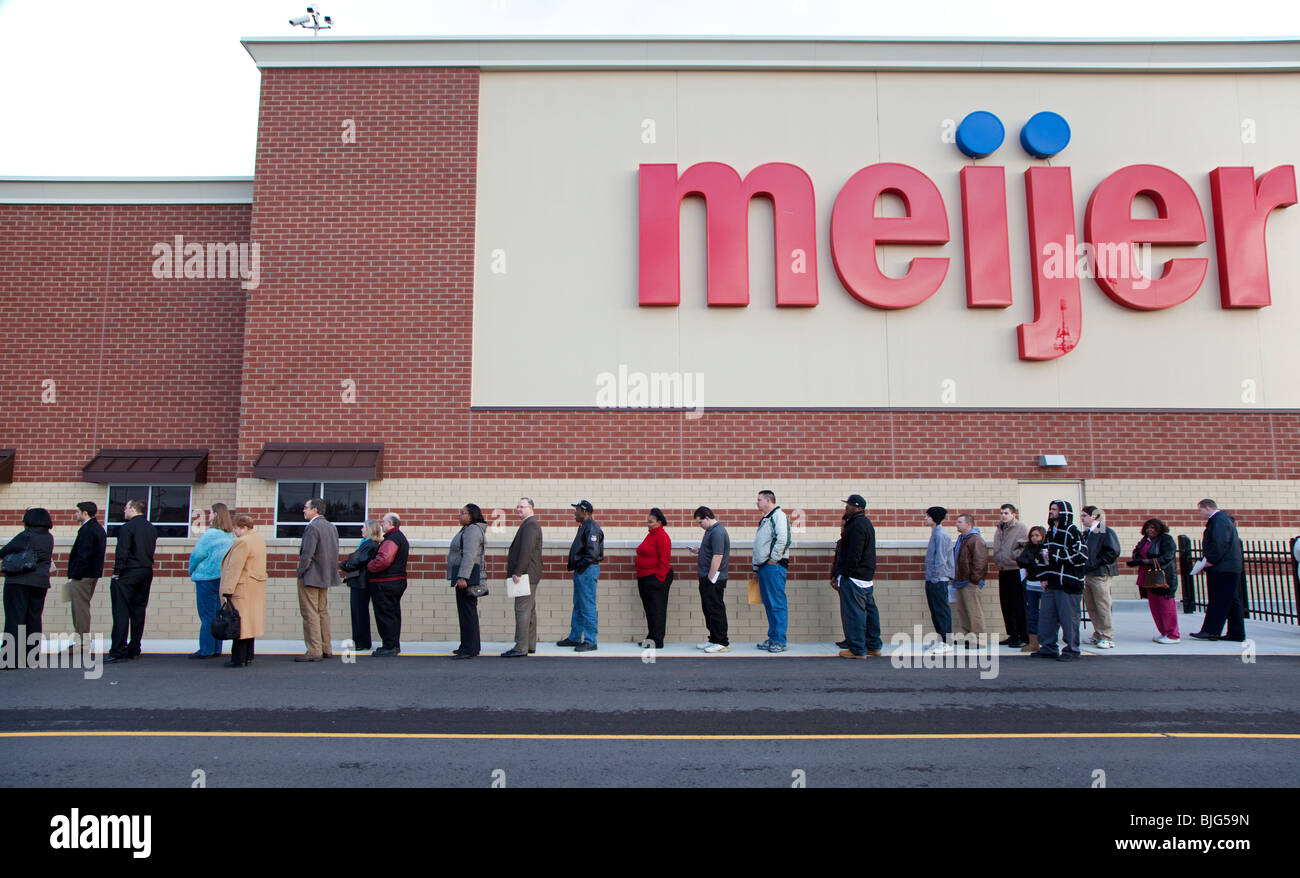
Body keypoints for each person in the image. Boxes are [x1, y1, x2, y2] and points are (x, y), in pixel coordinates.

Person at [1031, 499, 1087, 662]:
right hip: (1052, 582)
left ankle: (1072, 649)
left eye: (1054, 509)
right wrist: (1043, 576)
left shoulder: (1072, 531)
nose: (1051, 512)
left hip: (1069, 583)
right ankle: (1048, 647)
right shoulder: (1050, 531)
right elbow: (1044, 555)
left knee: (1069, 618)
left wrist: (1056, 555)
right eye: (1051, 509)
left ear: (1063, 512)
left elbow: (1081, 555)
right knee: (1047, 617)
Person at [2, 507, 55, 666]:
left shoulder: (26, 536)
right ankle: (32, 657)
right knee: (34, 618)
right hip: (40, 582)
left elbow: (4, 551)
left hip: (19, 581)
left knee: (15, 618)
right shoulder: (49, 537)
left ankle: (10, 658)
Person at [107, 499, 157, 664]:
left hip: (129, 572)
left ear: (133, 509)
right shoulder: (151, 528)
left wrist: (117, 572)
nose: (124, 510)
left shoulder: (127, 528)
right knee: (138, 610)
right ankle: (134, 647)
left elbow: (122, 551)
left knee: (121, 611)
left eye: (126, 507)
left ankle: (118, 650)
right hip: (146, 570)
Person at [832, 494, 881, 658]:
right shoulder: (865, 523)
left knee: (854, 613)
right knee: (869, 611)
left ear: (859, 508)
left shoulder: (856, 525)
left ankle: (857, 649)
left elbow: (853, 553)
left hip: (854, 576)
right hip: (866, 575)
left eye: (850, 505)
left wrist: (844, 572)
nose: (846, 507)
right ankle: (873, 645)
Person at [1191, 499, 1246, 642]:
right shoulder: (1224, 519)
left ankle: (1211, 631)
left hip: (1222, 567)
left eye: (1200, 510)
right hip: (1230, 567)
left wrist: (1211, 560)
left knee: (1218, 599)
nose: (1200, 513)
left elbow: (1220, 542)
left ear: (1208, 507)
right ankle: (1236, 633)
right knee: (1232, 600)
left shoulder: (1218, 520)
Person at [186, 503, 234, 659]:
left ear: (216, 514)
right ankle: (217, 648)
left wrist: (191, 569)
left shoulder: (209, 534)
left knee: (206, 616)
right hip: (221, 579)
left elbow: (197, 555)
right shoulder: (229, 535)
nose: (209, 515)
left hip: (205, 578)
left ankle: (206, 649)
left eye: (211, 513)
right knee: (218, 614)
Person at [294, 497, 340, 662]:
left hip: (311, 577)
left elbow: (307, 554)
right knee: (322, 612)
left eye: (306, 507)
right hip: (325, 576)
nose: (304, 510)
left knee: (310, 613)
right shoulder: (331, 527)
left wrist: (300, 571)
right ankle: (326, 648)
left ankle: (314, 650)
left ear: (315, 510)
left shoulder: (312, 527)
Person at [219, 514, 266, 668]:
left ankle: (238, 659)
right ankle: (248, 656)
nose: (234, 531)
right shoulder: (257, 539)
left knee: (239, 624)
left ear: (244, 528)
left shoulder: (242, 542)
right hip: (255, 586)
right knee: (249, 623)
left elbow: (234, 568)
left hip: (242, 587)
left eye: (236, 528)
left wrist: (227, 590)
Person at [559, 500, 603, 652]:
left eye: (576, 510)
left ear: (585, 512)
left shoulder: (592, 529)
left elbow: (592, 553)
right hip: (582, 571)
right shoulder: (584, 527)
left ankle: (591, 640)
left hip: (587, 571)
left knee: (587, 606)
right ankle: (575, 637)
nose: (574, 513)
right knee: (578, 605)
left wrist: (581, 566)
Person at [1128, 518, 1179, 643]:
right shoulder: (1145, 540)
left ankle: (1173, 634)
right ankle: (1164, 632)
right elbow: (1137, 552)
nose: (1150, 530)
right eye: (1148, 527)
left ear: (1160, 528)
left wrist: (1146, 561)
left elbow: (1168, 557)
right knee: (1155, 607)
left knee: (1166, 607)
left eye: (1153, 527)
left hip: (1163, 577)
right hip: (1148, 577)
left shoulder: (1166, 539)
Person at [64, 501, 106, 656]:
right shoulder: (97, 528)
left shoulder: (88, 530)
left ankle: (81, 644)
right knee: (81, 607)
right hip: (90, 574)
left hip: (83, 575)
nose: (75, 514)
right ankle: (80, 643)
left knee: (79, 609)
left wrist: (76, 574)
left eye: (77, 512)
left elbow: (84, 554)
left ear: (84, 513)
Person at [503, 498, 543, 657]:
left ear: (531, 508)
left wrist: (518, 572)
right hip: (529, 575)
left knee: (522, 610)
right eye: (517, 506)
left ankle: (520, 647)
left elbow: (526, 550)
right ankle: (530, 645)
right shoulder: (529, 524)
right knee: (529, 610)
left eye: (522, 506)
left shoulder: (530, 525)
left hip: (525, 575)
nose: (518, 509)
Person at [752, 490, 791, 653]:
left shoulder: (778, 516)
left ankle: (780, 640)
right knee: (769, 604)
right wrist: (756, 568)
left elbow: (783, 538)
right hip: (764, 567)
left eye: (759, 500)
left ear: (768, 501)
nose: (757, 503)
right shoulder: (766, 519)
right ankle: (773, 637)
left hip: (773, 566)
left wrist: (773, 559)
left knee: (777, 603)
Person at [366, 513, 410, 657]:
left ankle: (389, 646)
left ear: (390, 523)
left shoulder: (392, 539)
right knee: (393, 614)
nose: (381, 524)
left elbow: (383, 560)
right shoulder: (399, 537)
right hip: (396, 582)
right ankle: (393, 645)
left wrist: (370, 565)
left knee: (385, 615)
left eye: (383, 522)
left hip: (386, 583)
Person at [689, 506, 730, 653]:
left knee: (715, 609)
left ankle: (722, 641)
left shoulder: (718, 531)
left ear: (707, 517)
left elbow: (718, 556)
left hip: (713, 578)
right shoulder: (710, 531)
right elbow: (711, 551)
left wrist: (711, 577)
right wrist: (699, 551)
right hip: (707, 577)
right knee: (708, 609)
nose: (700, 526)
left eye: (700, 522)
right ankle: (713, 638)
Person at [448, 504, 487, 659]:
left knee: (468, 613)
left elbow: (470, 555)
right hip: (464, 576)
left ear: (471, 515)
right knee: (466, 613)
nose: (460, 515)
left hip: (467, 578)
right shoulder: (468, 529)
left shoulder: (472, 530)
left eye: (462, 513)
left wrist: (463, 577)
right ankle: (468, 645)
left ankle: (469, 649)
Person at [1080, 505, 1121, 649]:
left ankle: (1107, 636)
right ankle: (1098, 633)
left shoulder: (1104, 532)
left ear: (1094, 516)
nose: (1082, 518)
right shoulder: (1086, 534)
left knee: (1102, 605)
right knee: (1091, 606)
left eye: (1085, 515)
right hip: (1087, 574)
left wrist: (1095, 563)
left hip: (1100, 574)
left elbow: (1113, 551)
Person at [340, 518, 382, 652]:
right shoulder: (367, 543)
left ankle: (361, 642)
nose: (361, 530)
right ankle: (362, 641)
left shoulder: (370, 544)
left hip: (361, 582)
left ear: (370, 530)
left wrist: (345, 565)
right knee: (359, 612)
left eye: (363, 527)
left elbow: (359, 561)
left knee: (359, 612)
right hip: (360, 581)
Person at [633, 507, 672, 650]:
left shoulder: (662, 536)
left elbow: (664, 560)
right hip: (644, 577)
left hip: (655, 578)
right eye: (647, 522)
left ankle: (657, 640)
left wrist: (659, 579)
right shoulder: (651, 535)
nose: (648, 524)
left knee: (657, 609)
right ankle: (651, 637)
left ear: (659, 522)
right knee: (649, 610)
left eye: (651, 522)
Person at [992, 503, 1029, 648]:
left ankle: (1022, 635)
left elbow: (1024, 547)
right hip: (1003, 569)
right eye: (1001, 513)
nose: (1003, 516)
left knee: (1018, 604)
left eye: (1006, 513)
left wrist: (1014, 556)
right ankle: (1012, 634)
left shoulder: (1020, 528)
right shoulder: (999, 528)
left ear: (1013, 514)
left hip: (1015, 569)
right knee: (1006, 604)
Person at [922, 506, 954, 653]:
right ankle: (941, 639)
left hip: (938, 580)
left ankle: (947, 642)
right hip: (933, 579)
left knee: (941, 610)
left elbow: (941, 559)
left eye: (927, 516)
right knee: (935, 610)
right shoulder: (935, 533)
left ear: (934, 518)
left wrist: (935, 577)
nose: (925, 518)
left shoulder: (940, 535)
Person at [952, 513, 988, 640]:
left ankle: (978, 639)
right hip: (960, 581)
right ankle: (967, 637)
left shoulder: (976, 540)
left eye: (959, 522)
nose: (957, 524)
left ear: (968, 524)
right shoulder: (962, 539)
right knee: (963, 611)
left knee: (974, 612)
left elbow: (980, 561)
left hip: (970, 582)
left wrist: (974, 579)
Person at [1016, 526, 1049, 653]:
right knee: (1032, 613)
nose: (1034, 538)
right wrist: (1031, 561)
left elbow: (1043, 564)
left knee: (1046, 613)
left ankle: (1047, 640)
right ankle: (1033, 641)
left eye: (1037, 535)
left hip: (1042, 584)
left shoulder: (1045, 548)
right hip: (1030, 584)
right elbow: (1021, 561)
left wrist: (1032, 562)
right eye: (1032, 536)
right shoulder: (1028, 548)